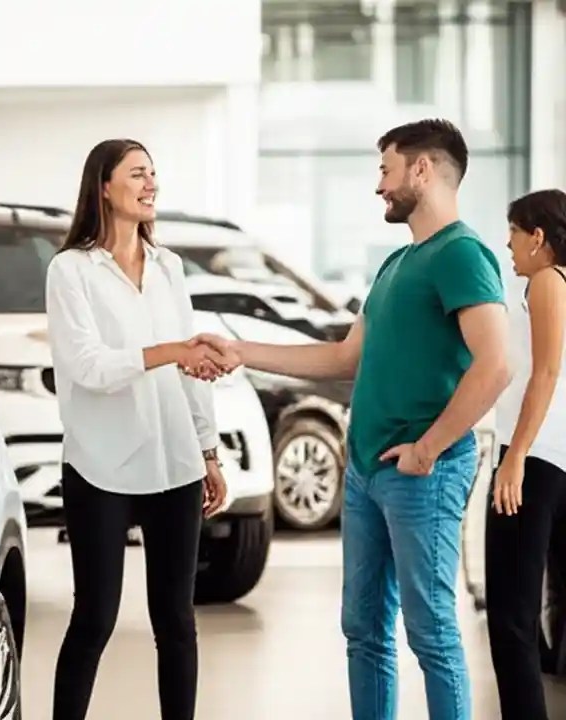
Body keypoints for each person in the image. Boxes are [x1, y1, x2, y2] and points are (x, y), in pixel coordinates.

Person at [195, 119, 511, 720]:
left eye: (386, 170)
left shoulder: (463, 254)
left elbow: (496, 366)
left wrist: (428, 447)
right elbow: (343, 356)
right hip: (367, 469)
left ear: (423, 169)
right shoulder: (397, 263)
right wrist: (243, 352)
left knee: (432, 631)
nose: (379, 187)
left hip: (424, 472)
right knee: (362, 627)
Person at [45, 138, 233, 720]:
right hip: (100, 466)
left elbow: (192, 371)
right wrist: (171, 350)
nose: (151, 184)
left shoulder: (169, 267)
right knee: (95, 617)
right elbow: (87, 367)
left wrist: (208, 449)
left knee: (176, 621)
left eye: (153, 174)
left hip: (174, 460)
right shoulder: (70, 270)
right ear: (103, 185)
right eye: (137, 174)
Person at [487, 187, 566, 720]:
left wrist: (514, 456)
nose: (508, 244)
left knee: (512, 620)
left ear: (538, 238)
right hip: (553, 461)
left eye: (513, 233)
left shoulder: (546, 281)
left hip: (532, 465)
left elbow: (544, 373)